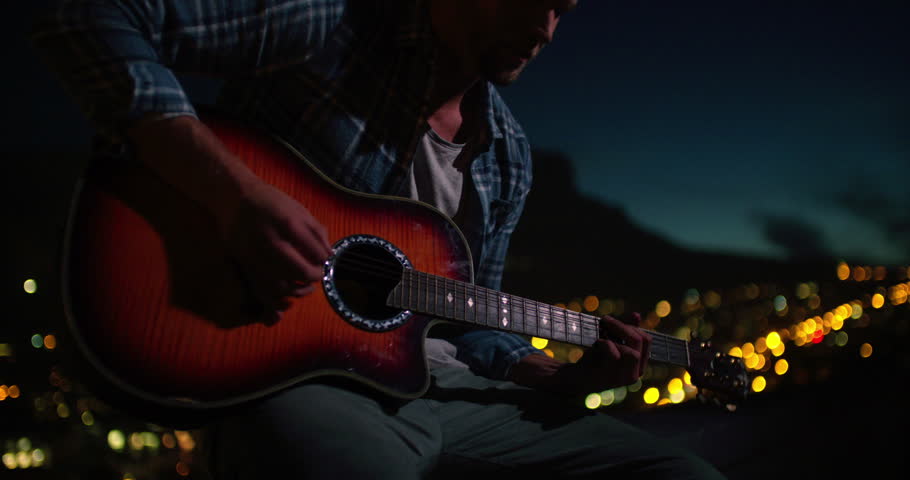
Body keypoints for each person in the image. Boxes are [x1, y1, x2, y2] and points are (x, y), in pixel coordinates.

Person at [32, 0, 726, 478]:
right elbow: (91, 14)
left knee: (675, 472)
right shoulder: (331, 26)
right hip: (297, 377)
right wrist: (232, 195)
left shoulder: (507, 150)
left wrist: (561, 374)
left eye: (563, 12)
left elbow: (469, 317)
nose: (546, 29)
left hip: (445, 390)